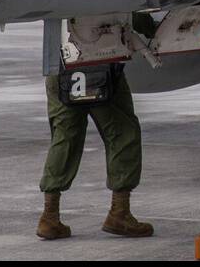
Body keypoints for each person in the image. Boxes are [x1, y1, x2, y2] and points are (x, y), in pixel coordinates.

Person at [36, 61, 154, 240]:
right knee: (122, 133)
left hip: (58, 66)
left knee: (64, 139)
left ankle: (49, 217)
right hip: (99, 65)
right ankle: (120, 213)